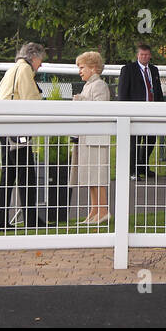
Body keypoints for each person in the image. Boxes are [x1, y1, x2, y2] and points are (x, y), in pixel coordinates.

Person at [0, 42, 47, 230]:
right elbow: (29, 99)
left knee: (9, 175)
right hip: (16, 130)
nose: (40, 65)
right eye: (40, 61)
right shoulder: (24, 70)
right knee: (27, 174)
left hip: (6, 128)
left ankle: (2, 221)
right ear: (33, 57)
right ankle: (30, 220)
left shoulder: (13, 69)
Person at [71, 51, 112, 224]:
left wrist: (80, 101)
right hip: (87, 135)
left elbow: (101, 109)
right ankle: (94, 209)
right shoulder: (88, 85)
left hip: (96, 137)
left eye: (82, 67)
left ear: (93, 68)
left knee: (97, 174)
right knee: (89, 176)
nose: (80, 71)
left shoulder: (100, 85)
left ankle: (103, 210)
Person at [117, 42, 164, 178]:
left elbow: (158, 91)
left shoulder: (154, 70)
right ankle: (132, 171)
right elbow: (122, 92)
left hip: (152, 112)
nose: (144, 57)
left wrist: (161, 108)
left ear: (150, 56)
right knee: (135, 142)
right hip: (134, 112)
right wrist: (124, 111)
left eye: (147, 55)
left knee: (150, 140)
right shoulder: (128, 69)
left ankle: (143, 167)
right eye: (142, 54)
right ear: (138, 55)